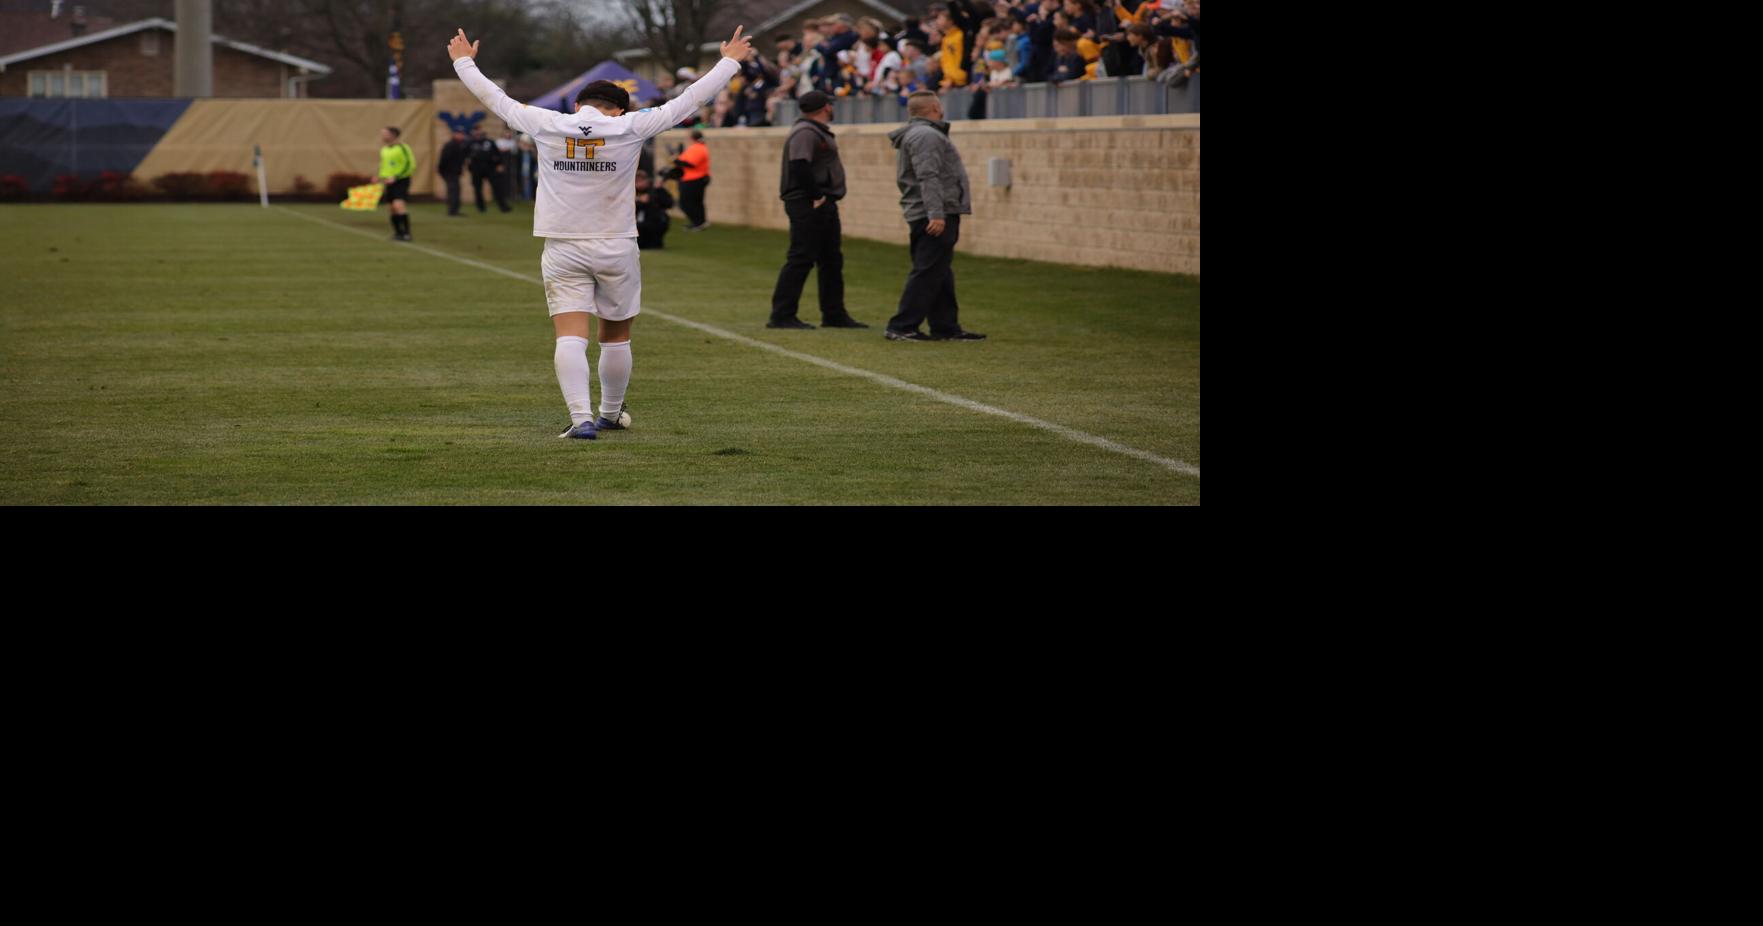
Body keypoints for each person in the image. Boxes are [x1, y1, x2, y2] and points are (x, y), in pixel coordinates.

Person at [447, 24, 752, 440]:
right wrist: (730, 60)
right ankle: (609, 414)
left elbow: (494, 99)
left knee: (570, 334)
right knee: (616, 335)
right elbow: (690, 100)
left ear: (577, 104)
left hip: (563, 244)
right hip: (617, 244)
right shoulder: (630, 127)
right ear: (620, 110)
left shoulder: (547, 123)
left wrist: (463, 61)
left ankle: (580, 419)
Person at [885, 92, 984, 341]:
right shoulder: (926, 135)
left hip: (931, 210)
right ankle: (902, 326)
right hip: (933, 212)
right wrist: (936, 214)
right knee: (928, 270)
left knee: (939, 270)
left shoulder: (922, 134)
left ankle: (945, 327)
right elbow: (928, 176)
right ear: (935, 108)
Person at [768, 90, 865, 331]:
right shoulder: (805, 132)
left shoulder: (814, 131)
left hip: (821, 203)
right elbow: (799, 164)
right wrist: (816, 195)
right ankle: (782, 315)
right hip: (808, 202)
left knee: (831, 259)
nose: (832, 108)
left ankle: (834, 314)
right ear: (825, 108)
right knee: (801, 257)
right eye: (830, 105)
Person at [377, 125, 415, 241]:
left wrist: (396, 177)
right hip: (389, 182)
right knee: (391, 208)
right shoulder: (384, 149)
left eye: (385, 133)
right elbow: (384, 166)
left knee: (399, 205)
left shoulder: (403, 148)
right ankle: (398, 233)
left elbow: (410, 165)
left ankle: (407, 234)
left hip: (401, 180)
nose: (383, 136)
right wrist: (380, 177)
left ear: (393, 135)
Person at [466, 125, 511, 213]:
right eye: (475, 131)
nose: (477, 133)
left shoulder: (489, 142)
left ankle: (503, 206)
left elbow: (497, 154)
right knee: (477, 189)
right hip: (476, 169)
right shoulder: (470, 143)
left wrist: (499, 164)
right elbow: (465, 155)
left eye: (478, 130)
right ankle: (481, 208)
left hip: (490, 168)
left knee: (497, 187)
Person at [674, 129, 712, 229]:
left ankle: (698, 222)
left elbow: (691, 164)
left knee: (686, 203)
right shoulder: (695, 147)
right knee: (696, 202)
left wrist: (676, 161)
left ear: (692, 138)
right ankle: (700, 222)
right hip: (692, 178)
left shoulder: (698, 148)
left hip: (694, 179)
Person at [634, 171, 673, 250]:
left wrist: (660, 190)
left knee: (654, 245)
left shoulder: (656, 190)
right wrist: (638, 200)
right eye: (637, 181)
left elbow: (668, 203)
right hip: (636, 224)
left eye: (641, 180)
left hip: (655, 223)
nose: (639, 183)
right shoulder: (630, 192)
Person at [437, 127, 468, 216]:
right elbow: (444, 159)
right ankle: (453, 211)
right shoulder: (451, 145)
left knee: (454, 190)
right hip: (450, 172)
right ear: (455, 134)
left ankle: (454, 210)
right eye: (459, 134)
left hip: (454, 172)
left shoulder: (459, 145)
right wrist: (442, 170)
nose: (461, 135)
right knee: (454, 191)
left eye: (462, 134)